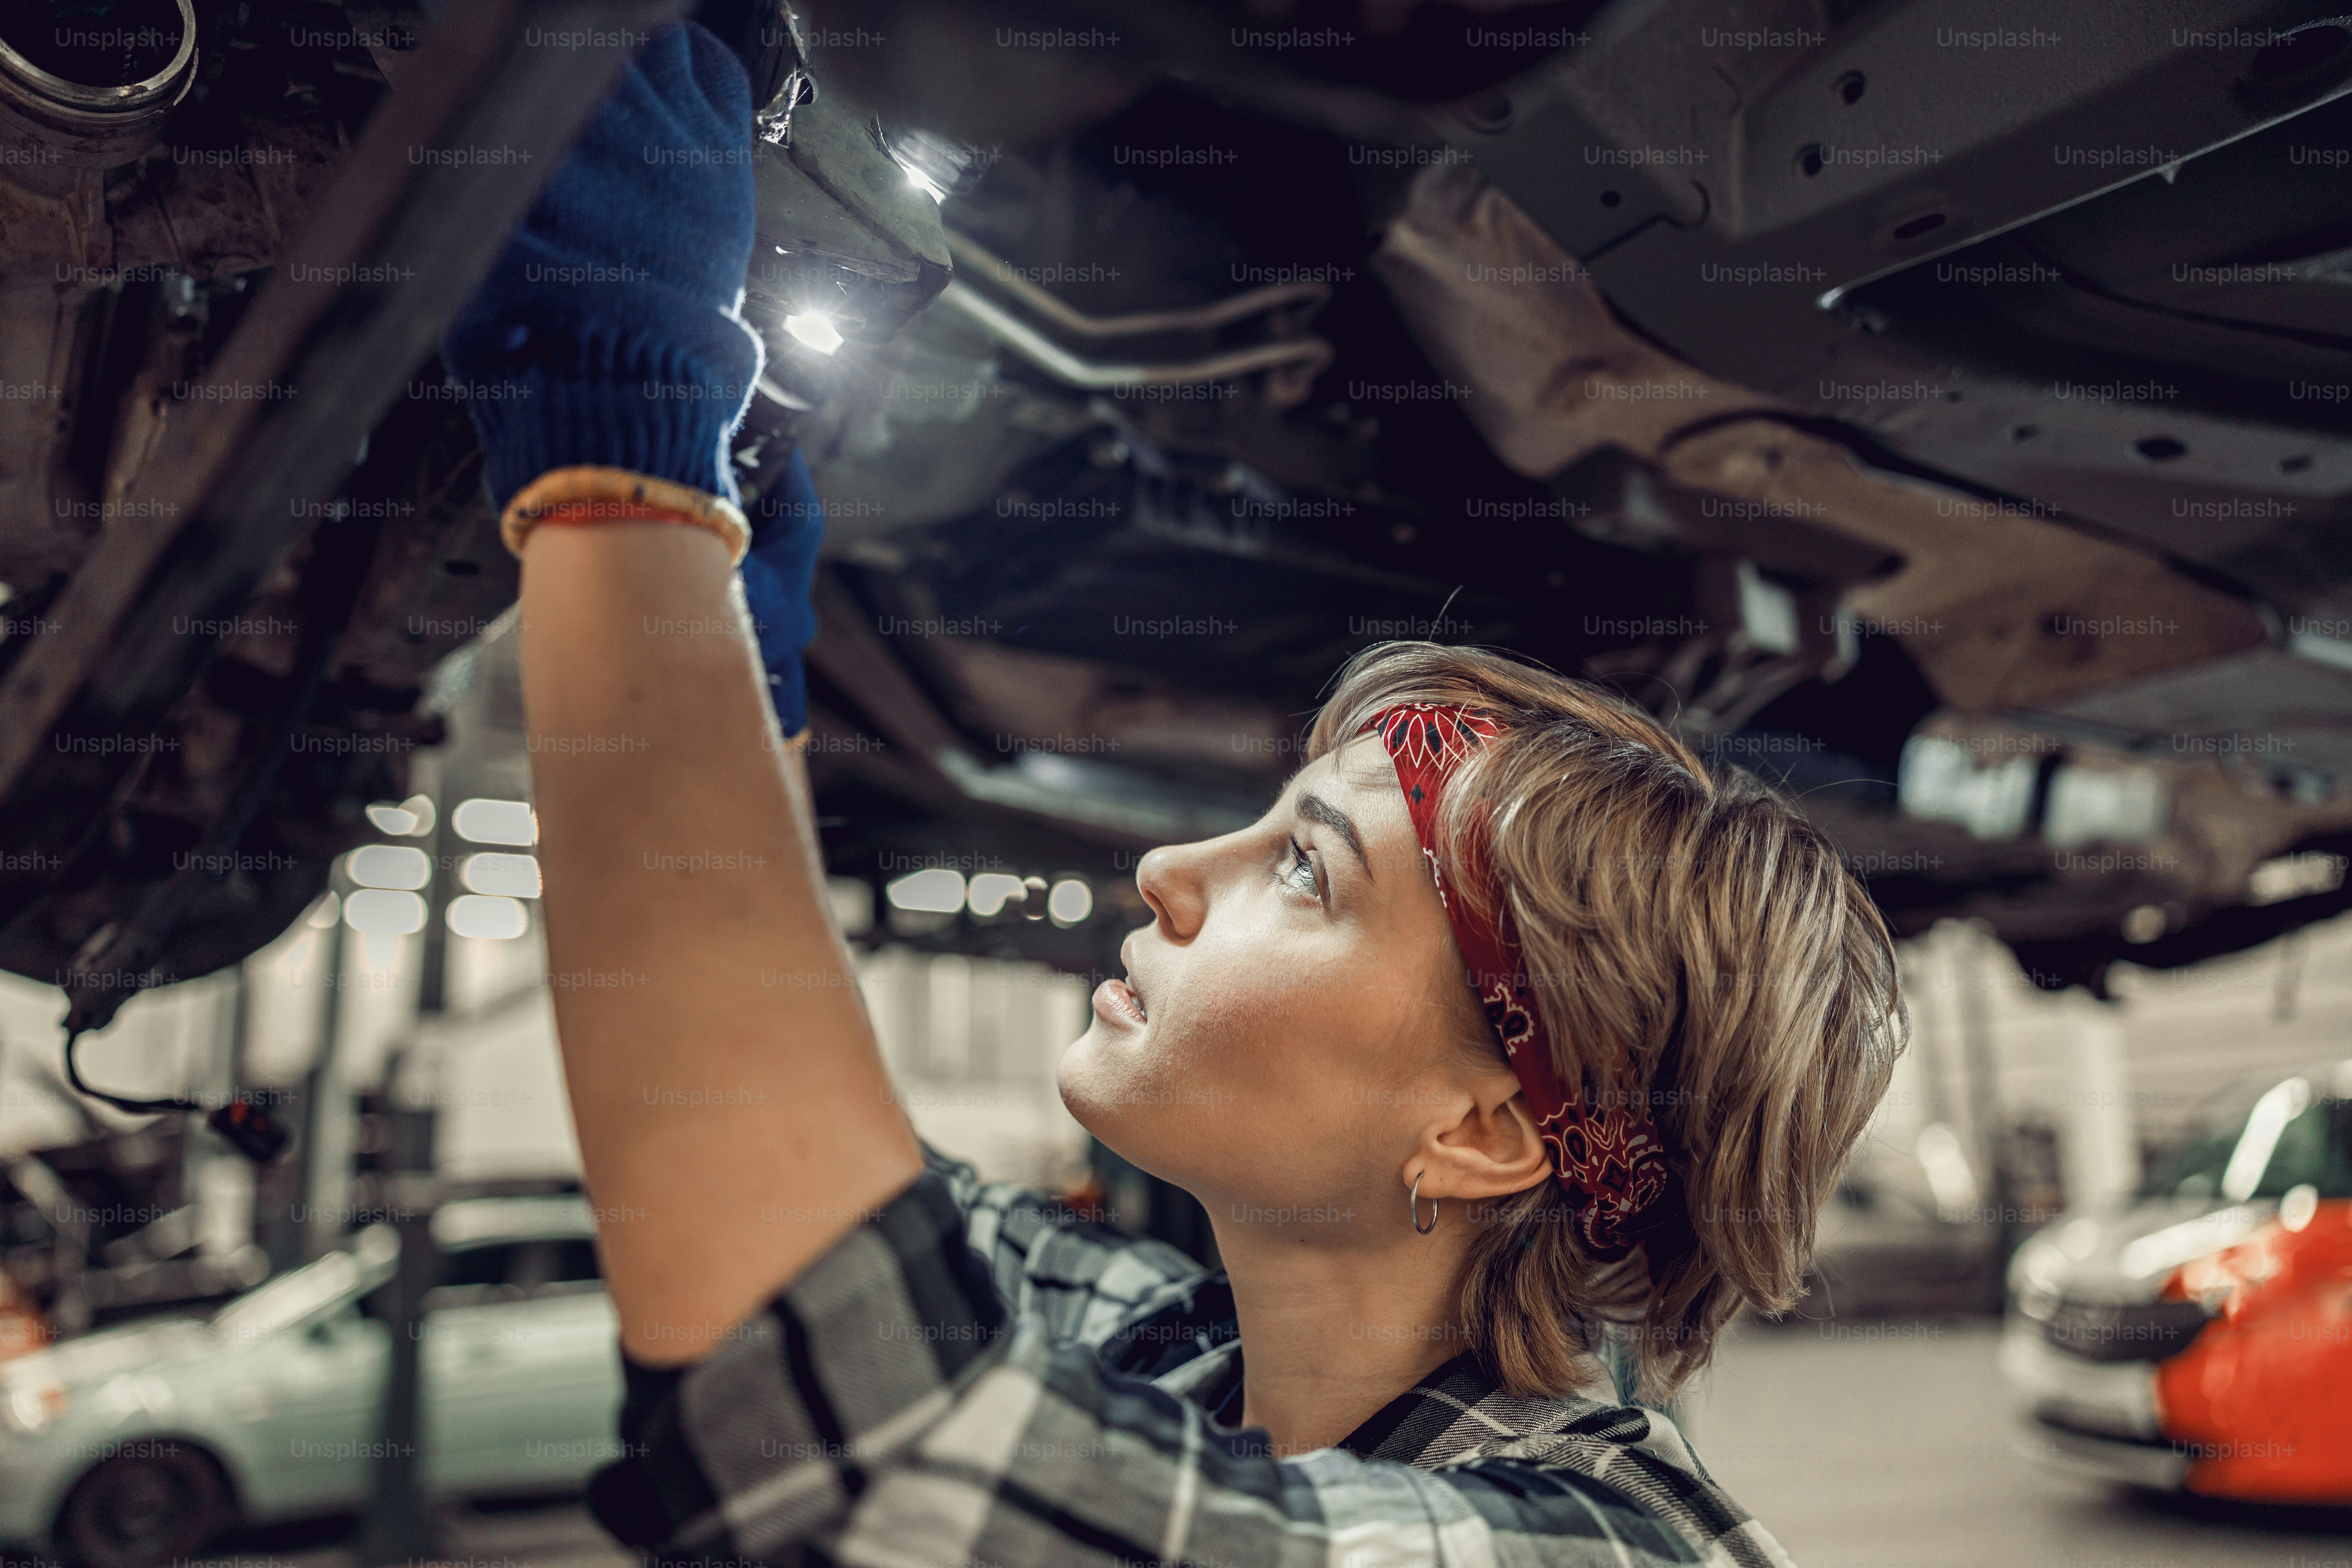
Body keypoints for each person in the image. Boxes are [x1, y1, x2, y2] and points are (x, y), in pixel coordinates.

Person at [442, 23, 1906, 1566]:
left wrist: (624, 436)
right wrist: (750, 665)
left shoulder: (1619, 1551)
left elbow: (868, 1452)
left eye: (1306, 873)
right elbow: (785, 1189)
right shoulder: (1186, 1357)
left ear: (1484, 1129)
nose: (1167, 865)